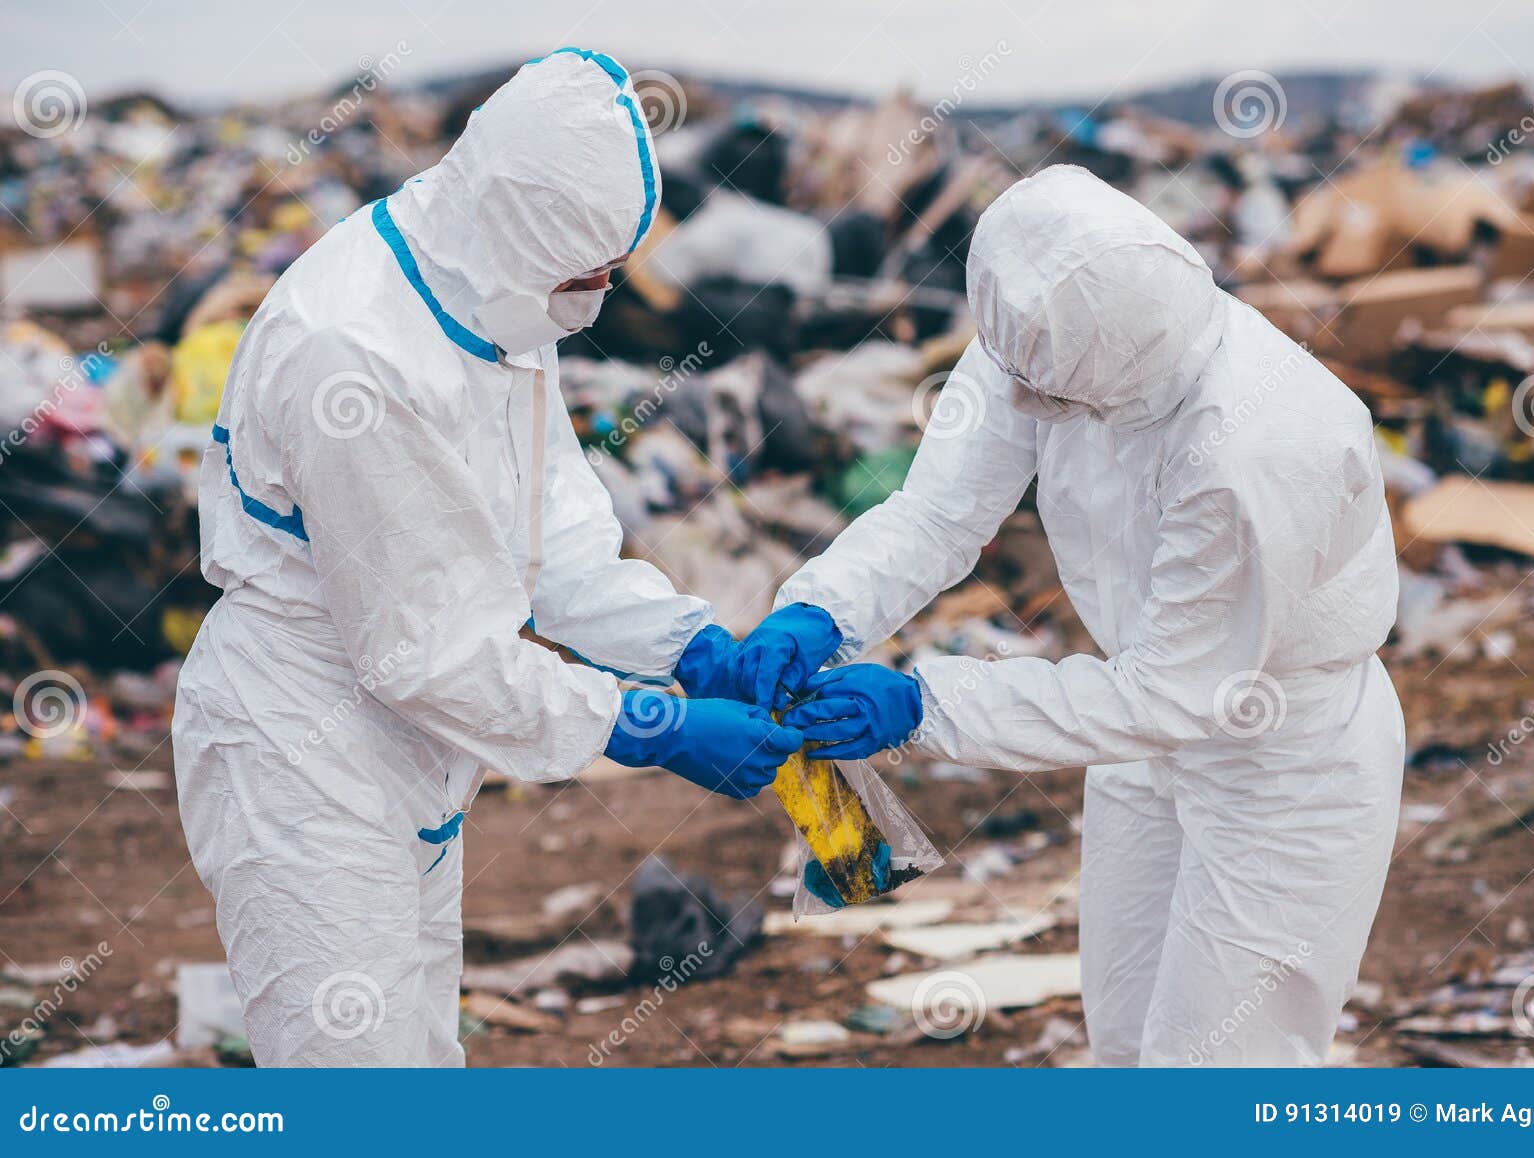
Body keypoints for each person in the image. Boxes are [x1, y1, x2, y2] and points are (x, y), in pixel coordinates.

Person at [173, 50, 800, 1068]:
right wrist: (647, 722)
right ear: (524, 232)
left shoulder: (498, 283)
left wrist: (687, 646)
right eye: (583, 274)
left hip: (410, 745)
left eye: (608, 269)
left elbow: (542, 527)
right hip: (305, 742)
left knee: (424, 1064)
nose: (598, 293)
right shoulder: (354, 351)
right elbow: (427, 650)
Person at [728, 166, 1405, 1066]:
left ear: (1116, 370)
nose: (1025, 405)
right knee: (1123, 1039)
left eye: (1053, 396)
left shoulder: (1253, 448)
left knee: (1223, 1071)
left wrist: (925, 706)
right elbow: (941, 513)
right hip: (1134, 720)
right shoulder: (1041, 331)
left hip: (1277, 746)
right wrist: (819, 609)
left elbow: (1176, 692)